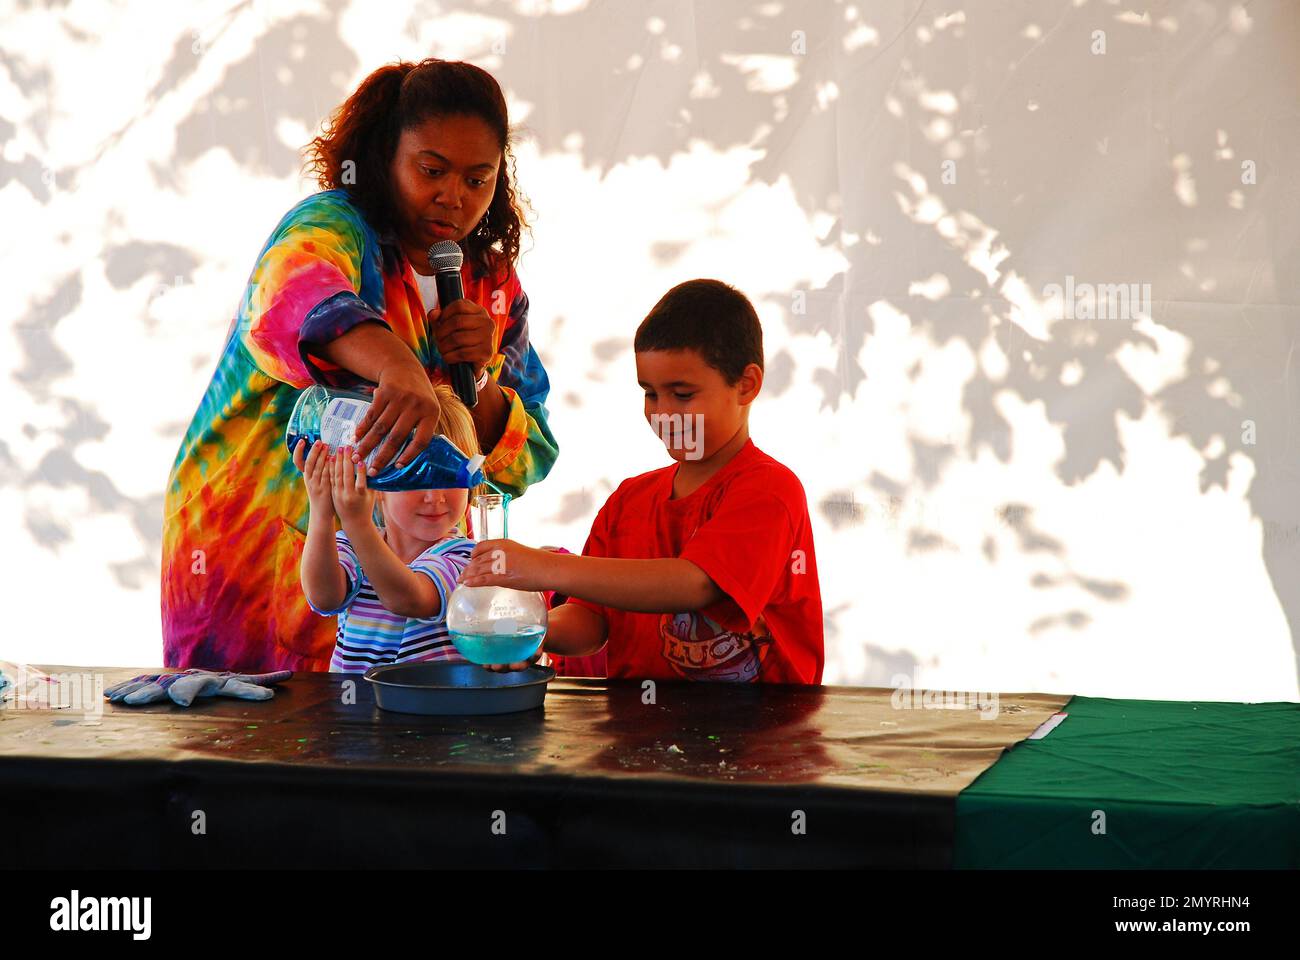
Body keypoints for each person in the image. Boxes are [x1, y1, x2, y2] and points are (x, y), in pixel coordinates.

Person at [162, 59, 558, 673]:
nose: (454, 196)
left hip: (410, 599)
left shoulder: (490, 283)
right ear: (382, 156)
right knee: (257, 748)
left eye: (478, 179)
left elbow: (525, 460)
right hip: (261, 546)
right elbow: (287, 298)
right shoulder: (335, 225)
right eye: (432, 170)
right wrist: (397, 363)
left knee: (383, 753)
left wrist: (476, 378)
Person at [458, 279, 824, 684]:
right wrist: (533, 634)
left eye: (682, 394)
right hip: (640, 737)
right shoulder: (628, 500)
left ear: (746, 385)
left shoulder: (770, 489)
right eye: (650, 394)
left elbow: (696, 584)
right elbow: (591, 619)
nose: (663, 413)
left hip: (762, 741)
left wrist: (542, 566)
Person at [297, 383, 479, 672]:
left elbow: (409, 600)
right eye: (416, 479)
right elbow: (324, 598)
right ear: (377, 482)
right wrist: (321, 512)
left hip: (433, 714)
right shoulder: (350, 545)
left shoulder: (465, 559)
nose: (435, 498)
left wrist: (358, 523)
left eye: (450, 477)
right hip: (356, 711)